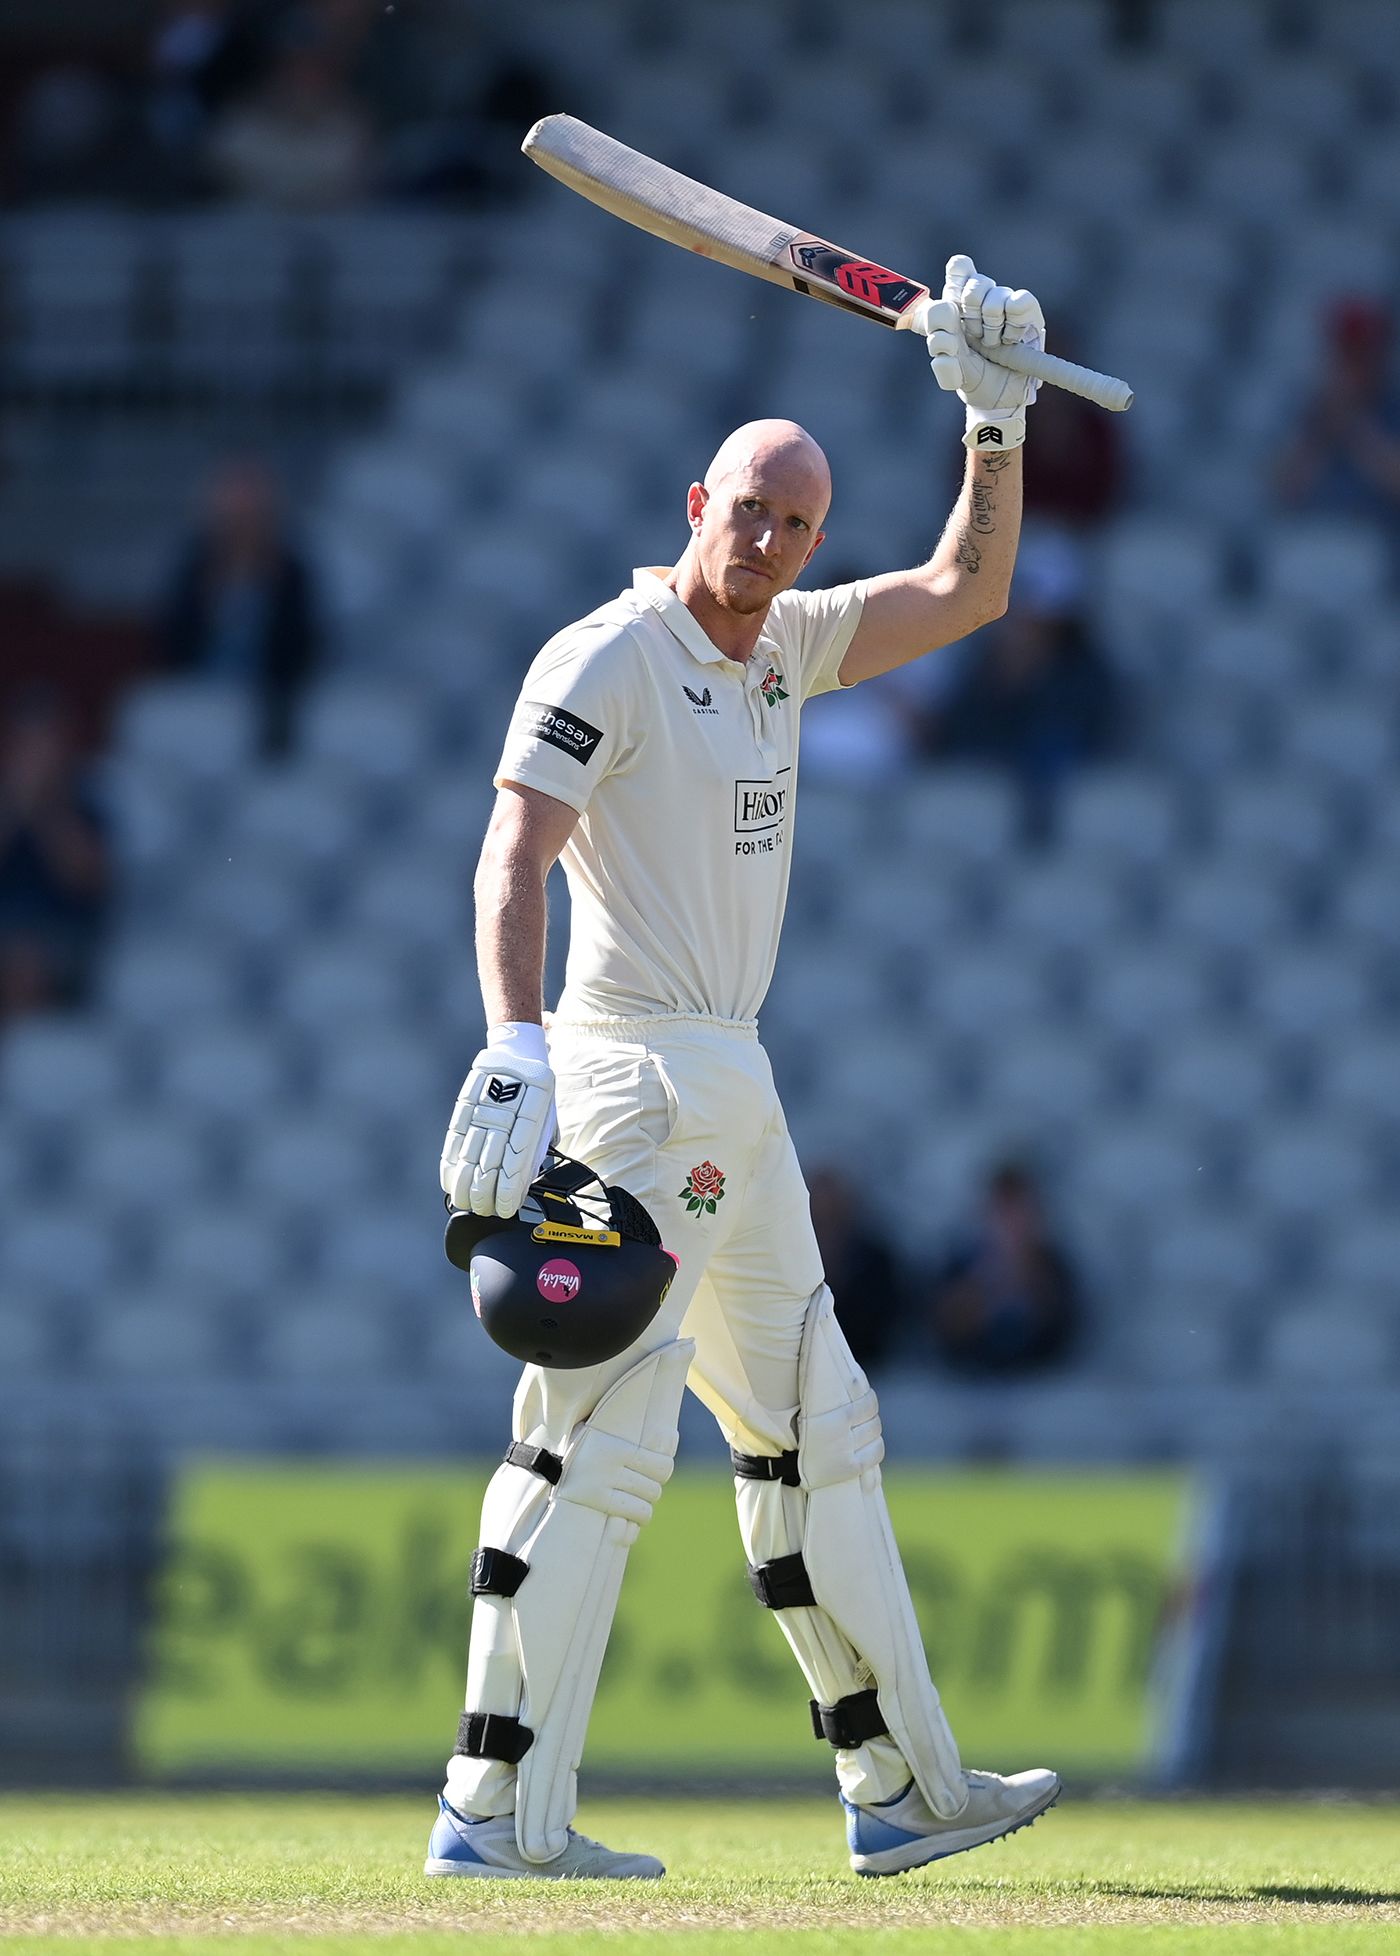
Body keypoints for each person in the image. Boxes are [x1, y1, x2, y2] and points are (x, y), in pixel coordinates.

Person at [429, 256, 1062, 1882]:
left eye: (798, 527)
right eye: (751, 514)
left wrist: (993, 423)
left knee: (814, 1429)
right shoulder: (607, 653)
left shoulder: (785, 647)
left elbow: (967, 594)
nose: (769, 546)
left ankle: (903, 1787)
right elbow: (513, 852)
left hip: (738, 1090)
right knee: (596, 1440)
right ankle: (499, 1812)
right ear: (695, 499)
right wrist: (511, 1038)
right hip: (629, 1076)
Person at [161, 456, 321, 758]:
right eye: (235, 508)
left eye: (250, 509)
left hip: (269, 700)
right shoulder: (194, 569)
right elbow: (171, 641)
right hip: (199, 695)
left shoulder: (290, 572)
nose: (242, 518)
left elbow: (302, 647)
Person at [0, 689, 110, 1025]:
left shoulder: (87, 806)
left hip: (62, 935)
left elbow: (87, 880)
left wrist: (47, 811)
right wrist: (14, 806)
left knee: (25, 961)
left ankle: (30, 1063)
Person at [925, 1158, 1081, 1377]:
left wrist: (1032, 1282)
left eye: (1017, 1210)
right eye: (1002, 1210)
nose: (1009, 1222)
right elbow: (942, 1331)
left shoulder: (1051, 1266)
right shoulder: (962, 1264)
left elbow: (1066, 1332)